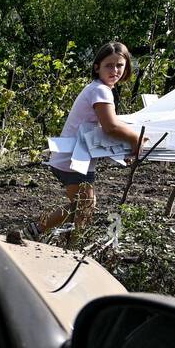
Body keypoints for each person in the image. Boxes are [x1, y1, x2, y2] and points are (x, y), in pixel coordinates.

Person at [29, 41, 144, 240]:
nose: (114, 70)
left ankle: (41, 232)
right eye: (109, 65)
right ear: (96, 67)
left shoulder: (99, 89)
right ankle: (71, 244)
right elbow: (110, 127)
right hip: (73, 161)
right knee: (85, 206)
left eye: (119, 65)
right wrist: (136, 139)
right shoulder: (100, 91)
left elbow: (100, 131)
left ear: (126, 69)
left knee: (80, 205)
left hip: (72, 157)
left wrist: (123, 150)